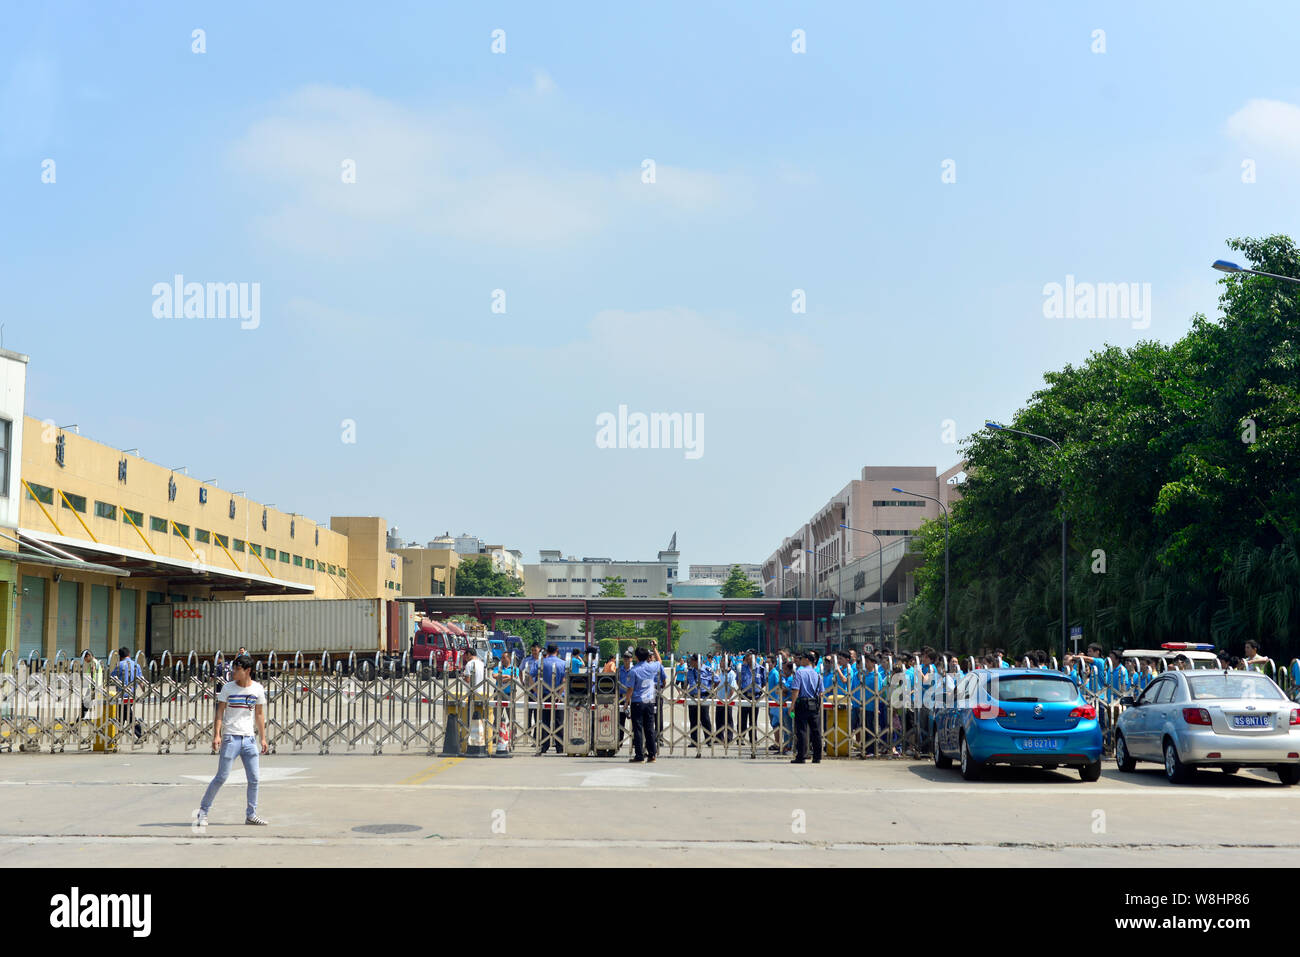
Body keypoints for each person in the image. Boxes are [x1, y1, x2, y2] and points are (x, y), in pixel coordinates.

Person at [196, 654, 268, 827]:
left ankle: (251, 814)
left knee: (254, 779)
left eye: (237, 669)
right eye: (233, 669)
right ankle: (203, 812)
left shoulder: (257, 689)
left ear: (247, 671)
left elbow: (259, 714)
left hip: (249, 739)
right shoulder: (228, 688)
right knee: (221, 777)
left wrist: (263, 738)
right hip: (231, 739)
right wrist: (217, 735)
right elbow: (219, 712)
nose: (234, 672)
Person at [624, 648, 668, 763]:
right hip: (649, 702)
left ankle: (639, 755)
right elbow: (660, 661)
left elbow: (630, 689)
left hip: (637, 702)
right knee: (649, 729)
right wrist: (655, 648)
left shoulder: (634, 670)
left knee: (638, 729)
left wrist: (626, 702)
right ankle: (652, 755)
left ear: (636, 657)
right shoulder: (652, 667)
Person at [790, 652, 823, 764]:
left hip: (802, 703)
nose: (801, 661)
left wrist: (792, 705)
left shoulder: (799, 672)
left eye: (802, 659)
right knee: (816, 731)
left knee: (802, 730)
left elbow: (795, 690)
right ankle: (817, 756)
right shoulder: (817, 674)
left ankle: (802, 756)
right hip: (814, 704)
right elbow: (821, 693)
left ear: (808, 660)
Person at [109, 647, 144, 740]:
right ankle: (116, 734)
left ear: (120, 656)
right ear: (129, 654)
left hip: (122, 695)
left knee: (127, 715)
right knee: (123, 714)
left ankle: (140, 734)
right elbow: (141, 681)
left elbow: (111, 677)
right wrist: (144, 692)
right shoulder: (136, 665)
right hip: (132, 694)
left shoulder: (119, 665)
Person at [539, 644, 566, 754]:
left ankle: (544, 745)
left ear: (547, 651)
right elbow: (564, 680)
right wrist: (559, 694)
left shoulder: (541, 662)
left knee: (545, 721)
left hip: (545, 695)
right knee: (559, 721)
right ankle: (560, 746)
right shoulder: (563, 663)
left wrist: (536, 691)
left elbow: (530, 675)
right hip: (559, 696)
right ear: (557, 650)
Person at [685, 654, 715, 747]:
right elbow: (688, 683)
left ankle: (709, 740)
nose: (690, 662)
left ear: (697, 661)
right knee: (693, 719)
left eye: (692, 661)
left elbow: (716, 680)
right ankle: (694, 741)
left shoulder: (707, 670)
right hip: (693, 697)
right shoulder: (690, 671)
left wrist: (710, 690)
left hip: (704, 696)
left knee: (705, 718)